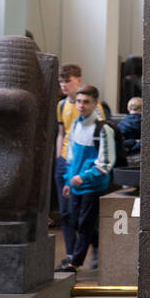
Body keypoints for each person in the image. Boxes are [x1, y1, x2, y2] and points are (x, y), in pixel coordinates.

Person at [57, 85, 115, 273]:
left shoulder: (103, 129)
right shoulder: (75, 125)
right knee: (73, 221)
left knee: (84, 223)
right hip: (75, 183)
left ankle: (74, 262)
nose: (81, 105)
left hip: (93, 185)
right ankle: (99, 243)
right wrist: (68, 181)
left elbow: (105, 163)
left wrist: (83, 176)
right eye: (79, 101)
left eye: (86, 102)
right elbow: (71, 157)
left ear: (94, 104)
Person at [54, 64, 104, 262]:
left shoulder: (96, 109)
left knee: (83, 217)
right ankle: (70, 255)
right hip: (66, 162)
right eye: (61, 81)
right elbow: (62, 133)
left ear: (78, 80)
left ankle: (92, 244)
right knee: (66, 213)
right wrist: (60, 157)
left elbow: (101, 136)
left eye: (67, 81)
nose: (64, 85)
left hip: (87, 166)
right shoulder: (62, 106)